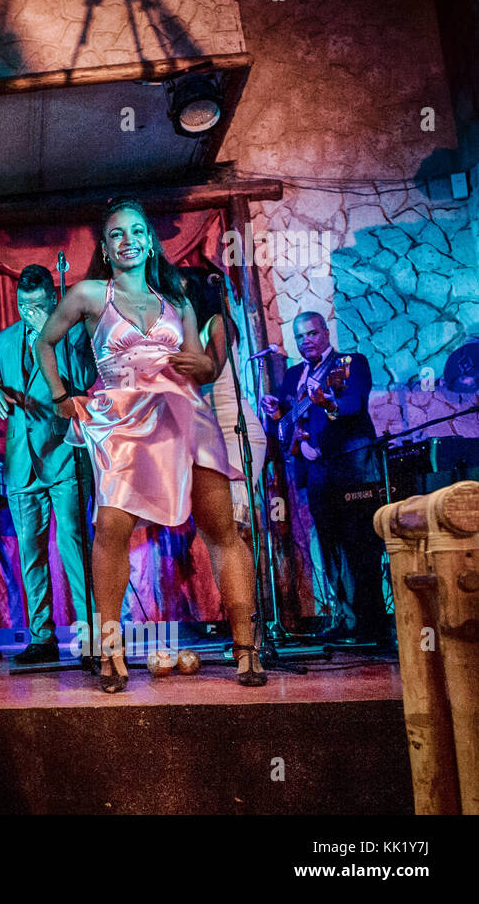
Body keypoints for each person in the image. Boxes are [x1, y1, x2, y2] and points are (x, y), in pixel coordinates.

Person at [34, 198, 266, 691]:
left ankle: (246, 647)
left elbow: (200, 364)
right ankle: (111, 652)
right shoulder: (90, 294)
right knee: (111, 528)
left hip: (184, 412)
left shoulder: (177, 299)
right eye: (117, 233)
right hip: (122, 420)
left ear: (149, 241)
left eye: (137, 232)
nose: (129, 241)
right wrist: (60, 395)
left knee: (222, 527)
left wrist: (204, 365)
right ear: (106, 245)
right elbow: (44, 341)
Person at [0, 264, 95, 664]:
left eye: (36, 305)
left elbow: (82, 377)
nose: (27, 312)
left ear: (51, 299)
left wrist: (52, 332)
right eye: (22, 304)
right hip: (20, 462)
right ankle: (42, 637)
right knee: (29, 552)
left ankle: (92, 638)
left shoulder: (73, 333)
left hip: (64, 454)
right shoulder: (5, 339)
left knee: (73, 548)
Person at [260, 312, 385, 644]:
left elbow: (353, 405)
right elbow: (285, 426)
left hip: (351, 467)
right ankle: (346, 619)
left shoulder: (349, 363)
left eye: (312, 333)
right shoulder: (292, 377)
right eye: (300, 337)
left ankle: (372, 625)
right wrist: (276, 414)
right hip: (316, 473)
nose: (306, 341)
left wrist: (328, 402)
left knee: (361, 545)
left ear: (326, 333)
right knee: (330, 546)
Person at [181, 268, 267, 528]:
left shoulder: (219, 323)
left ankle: (249, 571)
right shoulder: (185, 338)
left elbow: (209, 371)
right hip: (208, 437)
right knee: (215, 529)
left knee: (231, 523)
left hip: (234, 432)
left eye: (181, 293)